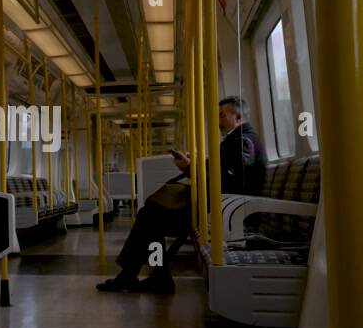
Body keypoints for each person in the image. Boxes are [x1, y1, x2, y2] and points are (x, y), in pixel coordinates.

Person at [97, 96, 267, 293]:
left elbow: (227, 182)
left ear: (238, 117)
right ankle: (149, 276)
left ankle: (142, 276)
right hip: (223, 204)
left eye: (222, 116)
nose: (218, 121)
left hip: (231, 210)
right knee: (150, 214)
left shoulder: (243, 143)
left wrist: (190, 168)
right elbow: (220, 175)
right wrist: (191, 167)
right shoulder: (240, 140)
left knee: (150, 215)